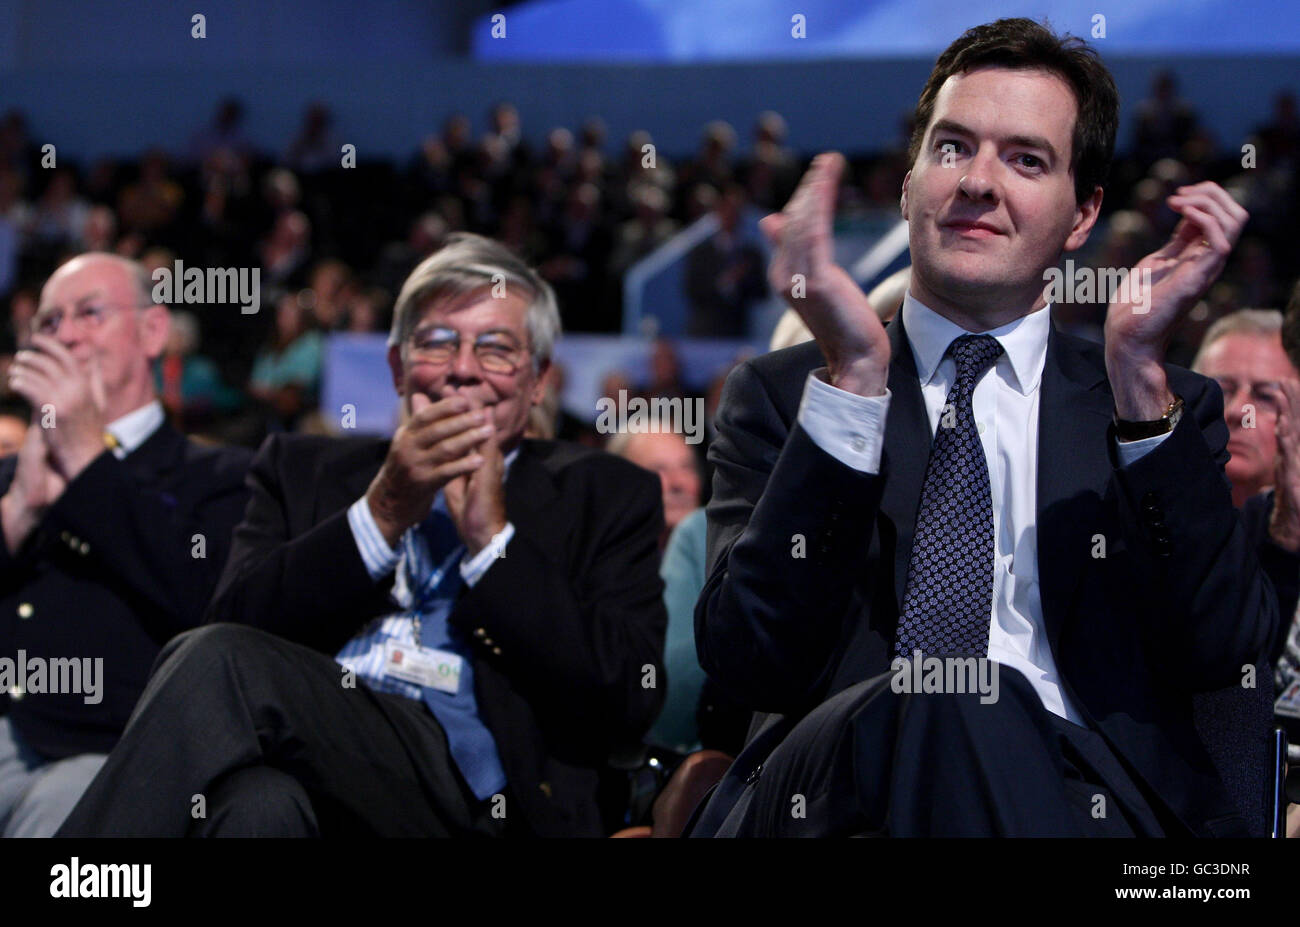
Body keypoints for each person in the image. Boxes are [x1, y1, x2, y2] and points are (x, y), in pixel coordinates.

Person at [690, 18, 1273, 838]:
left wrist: (1138, 371)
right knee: (958, 688)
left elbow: (1222, 649)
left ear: (1084, 214)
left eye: (1026, 159)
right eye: (953, 148)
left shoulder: (1155, 404)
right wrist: (856, 382)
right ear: (908, 184)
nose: (978, 182)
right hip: (836, 792)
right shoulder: (788, 396)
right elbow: (750, 658)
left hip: (1087, 802)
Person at [58, 233, 667, 837]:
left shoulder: (606, 494)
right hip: (320, 764)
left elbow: (628, 696)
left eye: (496, 349)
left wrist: (491, 543)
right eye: (437, 343)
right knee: (258, 810)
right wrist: (380, 514)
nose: (461, 369)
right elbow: (236, 622)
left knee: (222, 665)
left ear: (537, 380)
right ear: (398, 367)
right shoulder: (301, 469)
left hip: (479, 788)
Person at [0, 253, 252, 836]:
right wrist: (18, 510)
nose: (66, 335)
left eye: (90, 314)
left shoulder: (220, 477)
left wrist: (87, 457)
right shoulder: (13, 478)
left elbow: (208, 602)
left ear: (152, 331)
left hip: (122, 751)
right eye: (48, 323)